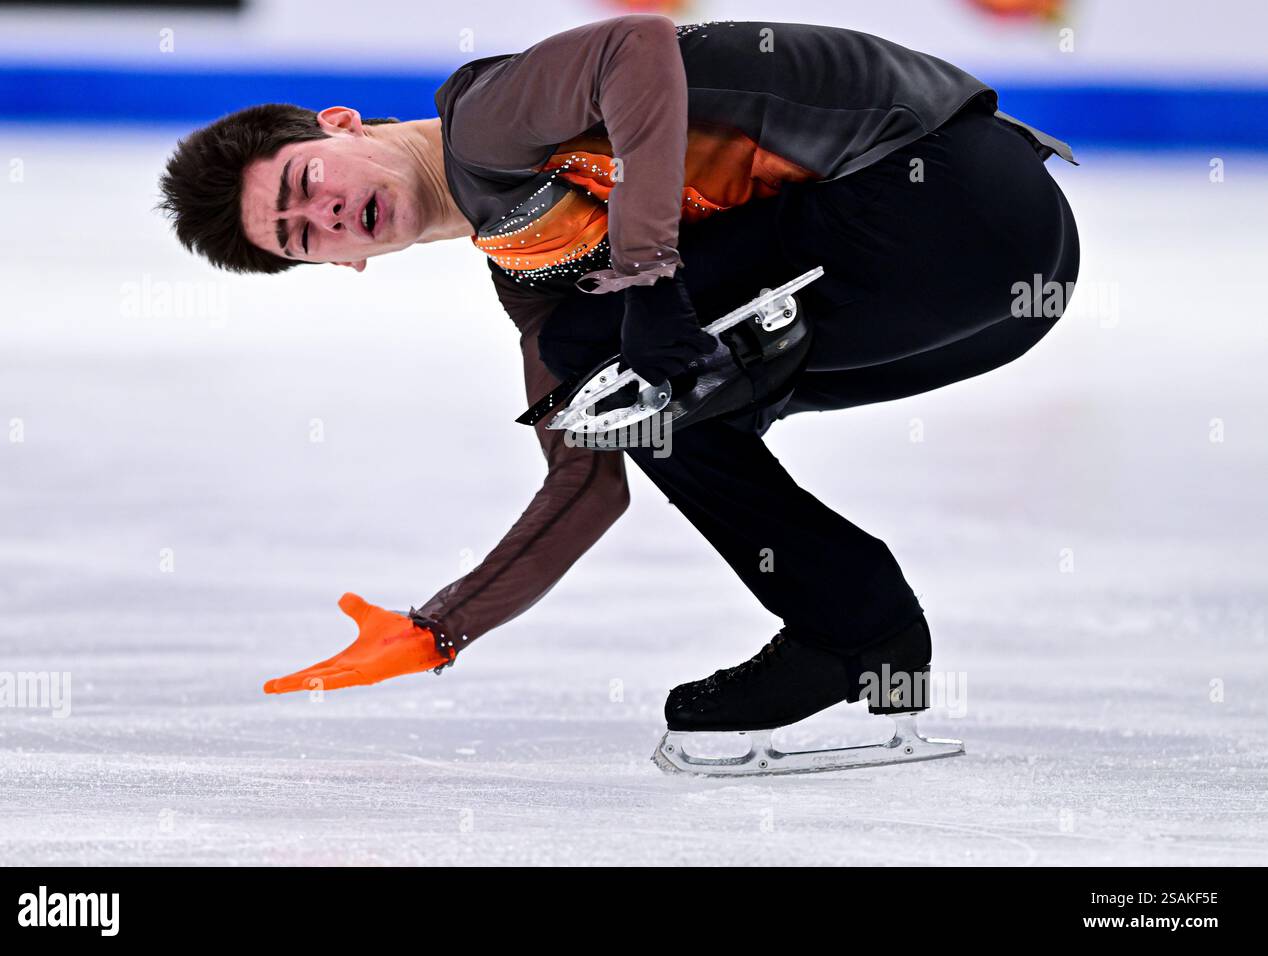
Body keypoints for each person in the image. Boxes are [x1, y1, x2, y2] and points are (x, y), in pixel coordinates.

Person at [158, 16, 1078, 742]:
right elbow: (585, 478)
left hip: (948, 194)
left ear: (342, 126)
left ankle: (853, 626)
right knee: (621, 400)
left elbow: (637, 45)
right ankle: (863, 633)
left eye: (305, 181)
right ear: (340, 267)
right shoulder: (528, 271)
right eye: (303, 235)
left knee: (605, 359)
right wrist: (440, 628)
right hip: (988, 306)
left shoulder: (485, 118)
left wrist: (647, 274)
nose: (325, 212)